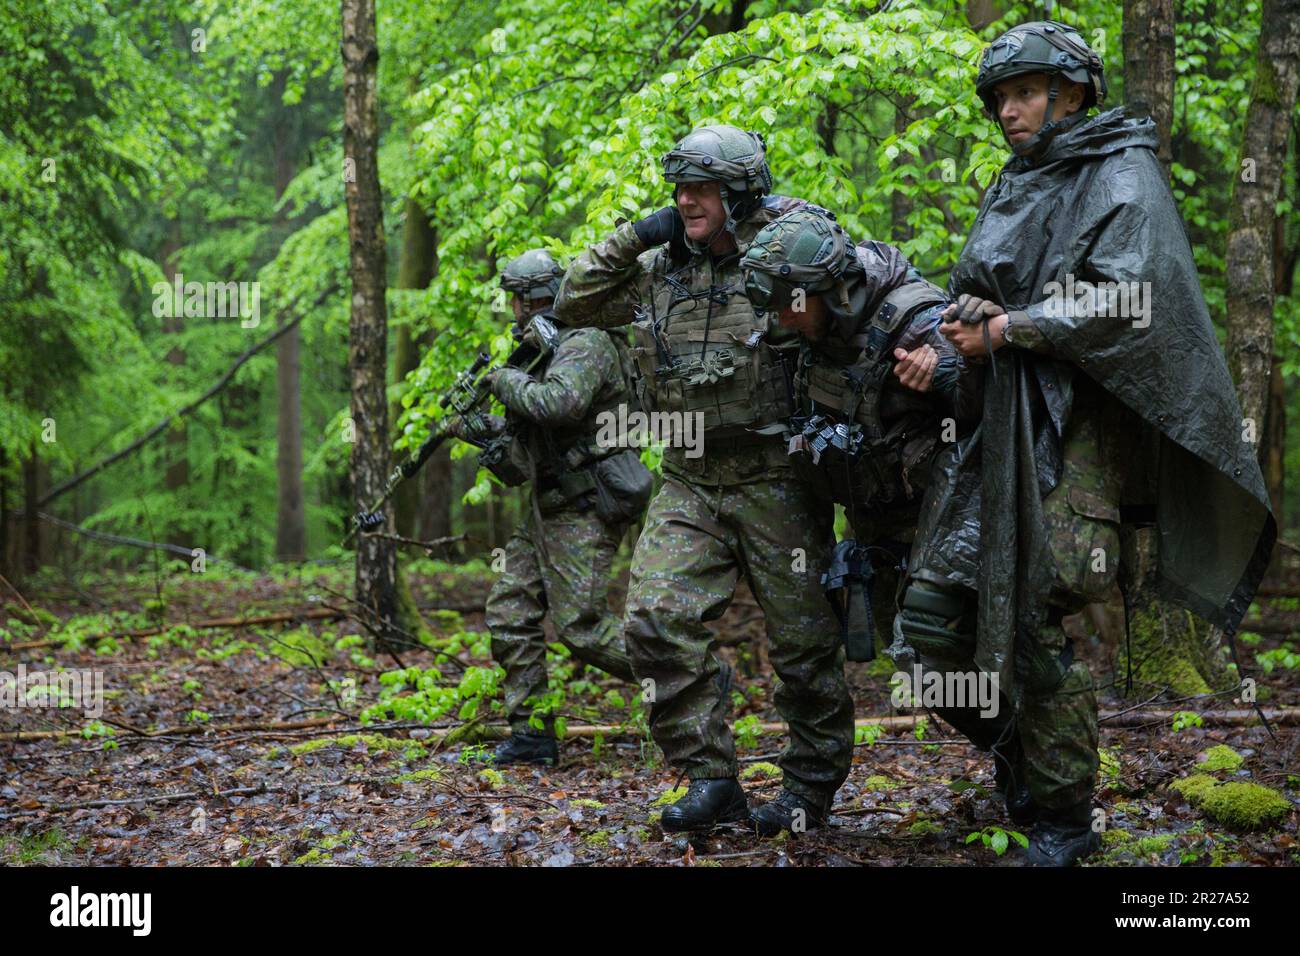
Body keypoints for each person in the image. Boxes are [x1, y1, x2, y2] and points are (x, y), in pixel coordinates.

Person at [892, 21, 1275, 865]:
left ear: (1071, 93)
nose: (1008, 111)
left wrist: (1013, 328)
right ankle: (1017, 761)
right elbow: (979, 290)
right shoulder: (1016, 181)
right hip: (997, 426)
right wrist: (944, 340)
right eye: (1000, 98)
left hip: (1080, 435)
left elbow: (1132, 303)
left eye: (1024, 92)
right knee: (927, 628)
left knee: (1032, 613)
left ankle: (1064, 816)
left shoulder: (1121, 172)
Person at [554, 125, 854, 835]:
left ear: (741, 189)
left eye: (702, 188)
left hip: (778, 475)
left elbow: (848, 305)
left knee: (804, 646)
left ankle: (809, 790)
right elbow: (572, 301)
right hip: (689, 476)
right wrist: (634, 234)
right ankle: (710, 774)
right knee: (654, 621)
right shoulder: (659, 268)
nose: (686, 201)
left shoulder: (784, 251)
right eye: (678, 188)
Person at [738, 206, 977, 656]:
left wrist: (950, 374)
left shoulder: (916, 323)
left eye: (792, 304)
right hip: (876, 529)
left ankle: (1035, 724)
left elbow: (990, 413)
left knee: (949, 658)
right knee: (917, 667)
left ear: (833, 290)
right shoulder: (815, 322)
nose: (782, 318)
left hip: (946, 527)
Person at [451, 247, 642, 765]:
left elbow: (560, 404)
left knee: (582, 629)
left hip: (585, 503)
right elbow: (527, 446)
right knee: (510, 611)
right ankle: (533, 735)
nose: (513, 313)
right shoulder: (544, 351)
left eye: (516, 302)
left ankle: (690, 674)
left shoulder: (587, 343)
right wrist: (477, 428)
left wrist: (502, 381)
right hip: (548, 505)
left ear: (536, 300)